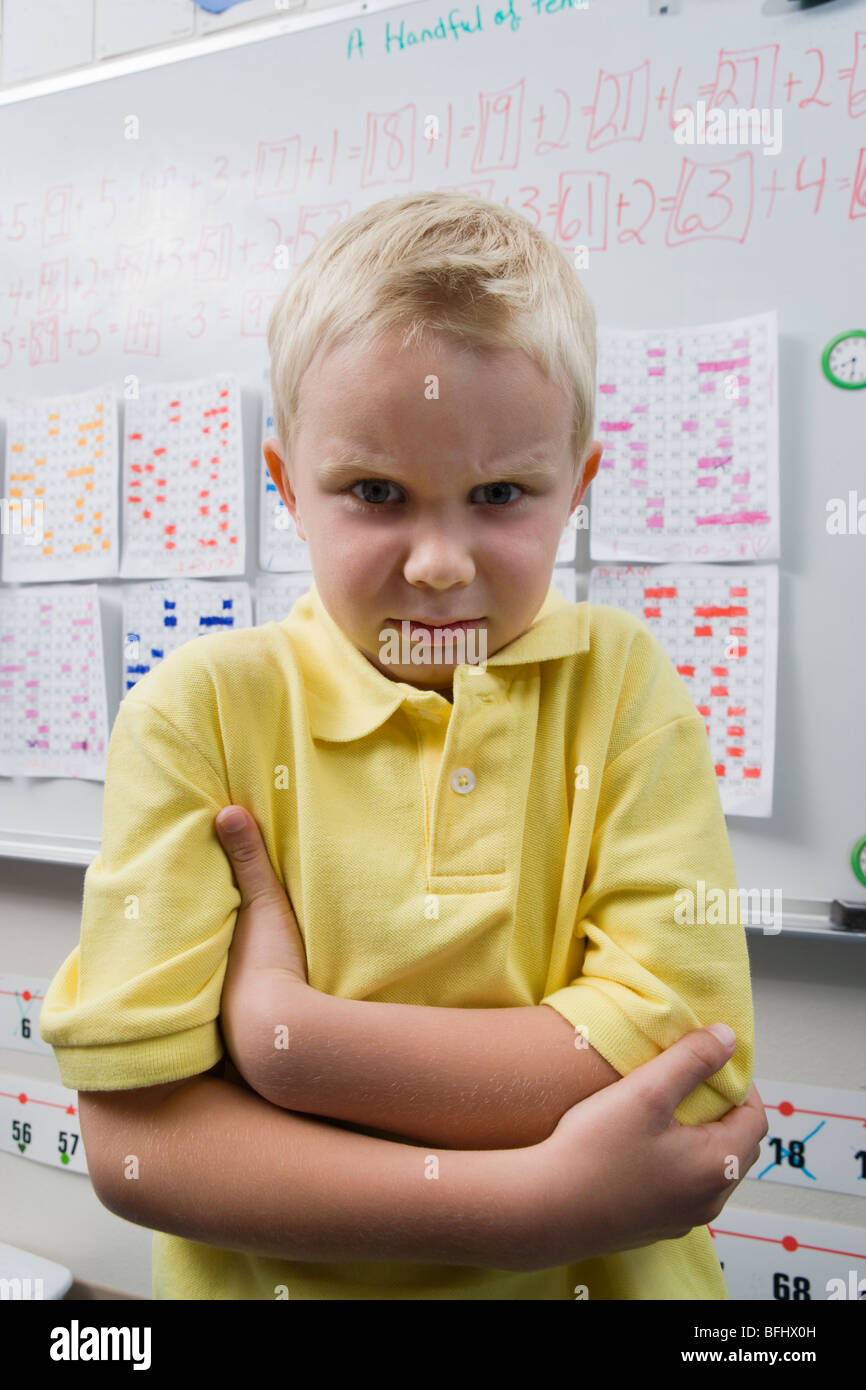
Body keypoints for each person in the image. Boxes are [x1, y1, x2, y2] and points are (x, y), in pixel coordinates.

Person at [39, 190, 767, 1299]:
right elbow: (143, 1150)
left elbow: (684, 1071)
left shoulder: (620, 685)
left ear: (577, 488)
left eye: (499, 494)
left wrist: (291, 1042)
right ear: (287, 487)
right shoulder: (203, 713)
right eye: (375, 491)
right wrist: (521, 1208)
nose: (437, 561)